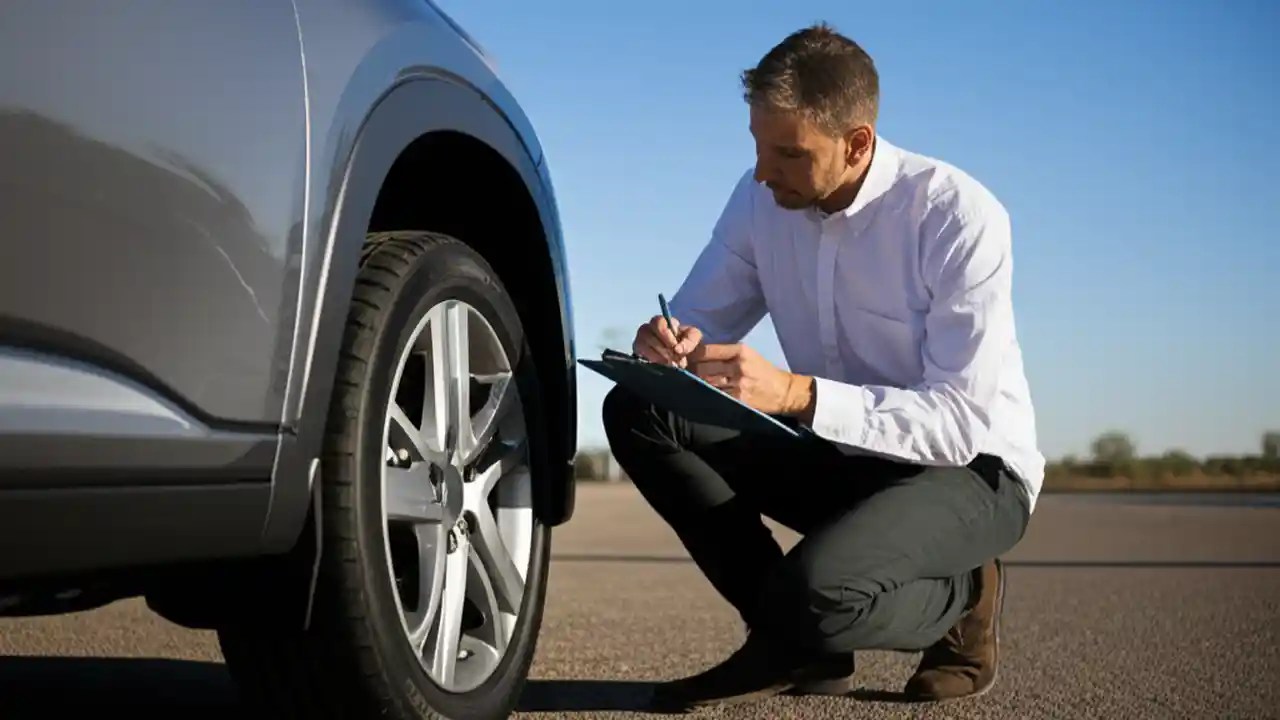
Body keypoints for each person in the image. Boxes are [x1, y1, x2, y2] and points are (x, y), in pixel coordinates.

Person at [601, 22, 1044, 710]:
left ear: (857, 142)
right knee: (641, 405)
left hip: (971, 473)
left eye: (787, 153)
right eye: (756, 144)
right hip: (842, 456)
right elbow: (699, 320)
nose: (761, 171)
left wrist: (797, 394)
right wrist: (666, 345)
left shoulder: (958, 216)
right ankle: (796, 645)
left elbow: (959, 421)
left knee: (817, 590)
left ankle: (965, 594)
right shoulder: (759, 200)